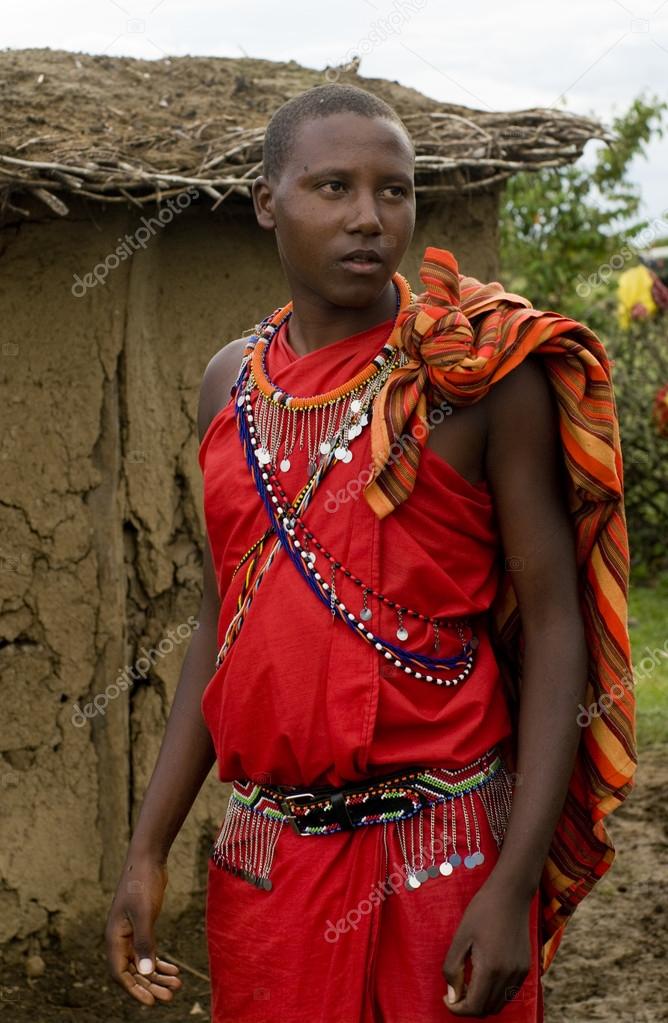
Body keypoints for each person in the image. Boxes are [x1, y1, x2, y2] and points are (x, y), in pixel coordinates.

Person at [105, 84, 636, 1022]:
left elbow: (555, 624)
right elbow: (220, 619)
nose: (368, 218)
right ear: (269, 202)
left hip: (446, 856)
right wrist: (149, 847)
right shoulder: (229, 384)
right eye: (333, 187)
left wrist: (512, 885)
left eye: (395, 190)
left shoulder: (474, 379)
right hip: (271, 872)